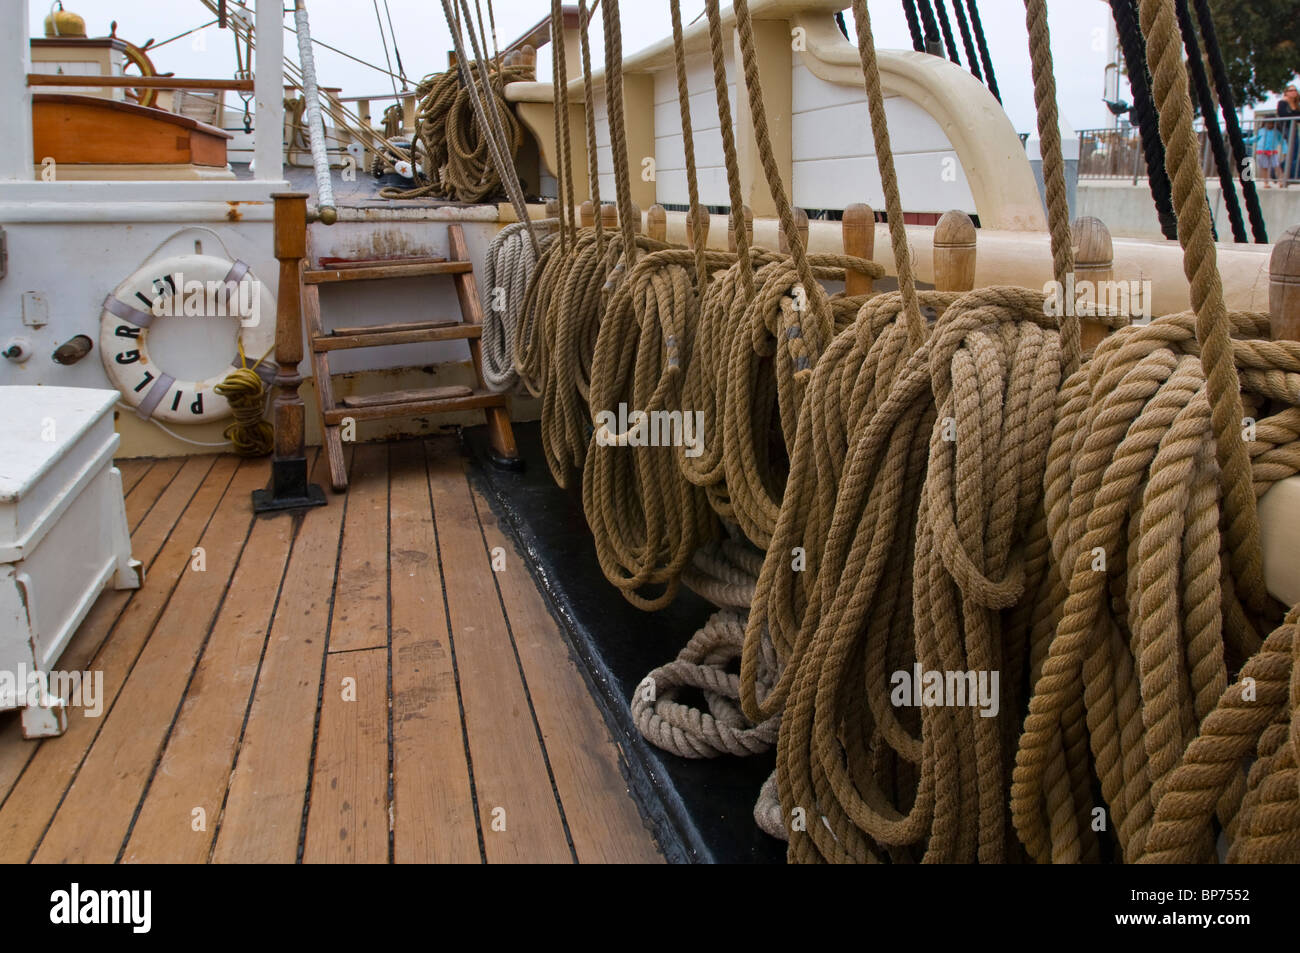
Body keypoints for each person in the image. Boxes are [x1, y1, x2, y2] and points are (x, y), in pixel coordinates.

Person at [1249, 120, 1285, 188]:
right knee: (1264, 167)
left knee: (1277, 166)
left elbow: (1282, 141)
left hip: (1272, 151)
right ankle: (1266, 183)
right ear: (1265, 123)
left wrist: (1285, 151)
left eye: (1271, 123)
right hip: (1261, 151)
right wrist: (1244, 140)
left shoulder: (1277, 132)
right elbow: (1254, 139)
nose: (1269, 125)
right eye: (1268, 123)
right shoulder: (1261, 131)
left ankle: (1281, 181)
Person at [1279, 85, 1299, 183]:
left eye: (1295, 90)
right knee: (1291, 153)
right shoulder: (1282, 103)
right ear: (1286, 92)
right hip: (1287, 130)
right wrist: (1294, 114)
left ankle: (1289, 175)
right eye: (1291, 90)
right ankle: (1280, 170)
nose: (1293, 92)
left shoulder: (1295, 104)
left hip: (1294, 130)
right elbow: (1283, 115)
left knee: (1294, 154)